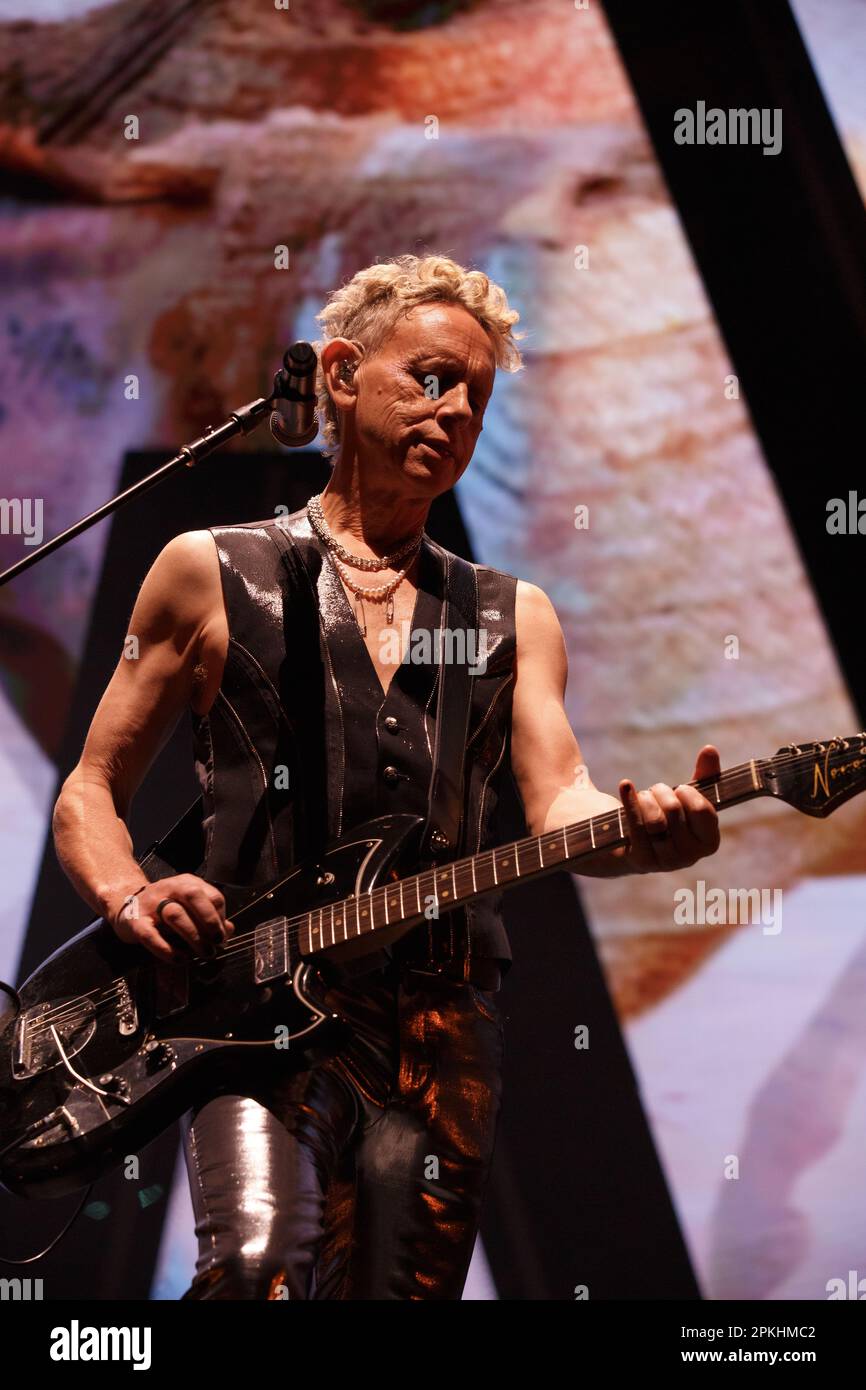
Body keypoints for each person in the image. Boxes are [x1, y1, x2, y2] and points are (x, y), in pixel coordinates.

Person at [52, 254, 721, 1299]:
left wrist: (638, 831)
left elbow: (561, 801)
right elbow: (90, 788)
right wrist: (129, 894)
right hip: (252, 1010)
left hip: (438, 1026)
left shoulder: (513, 614)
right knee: (257, 1267)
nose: (454, 412)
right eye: (431, 377)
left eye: (476, 397)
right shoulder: (207, 569)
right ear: (342, 372)